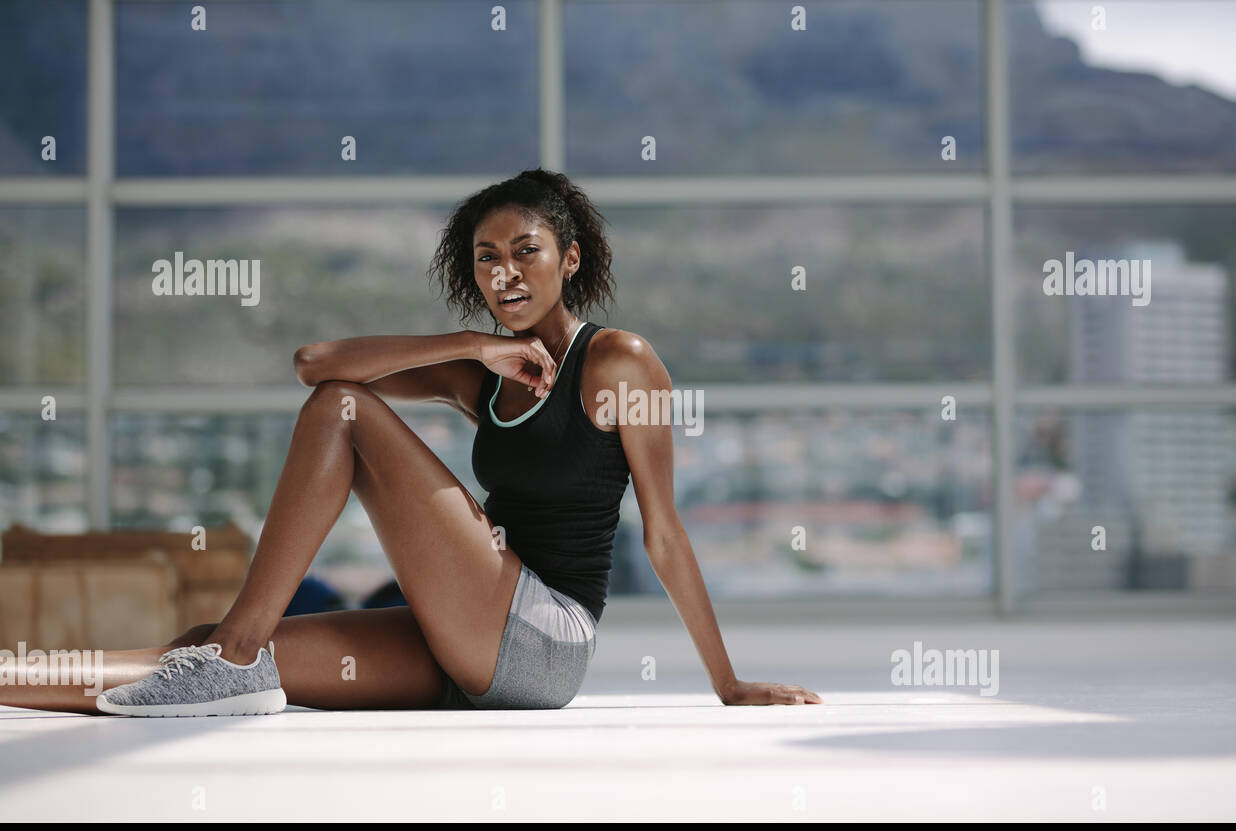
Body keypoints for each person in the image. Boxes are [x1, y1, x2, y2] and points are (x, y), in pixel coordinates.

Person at [2, 168, 822, 715]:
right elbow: (314, 363)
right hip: (461, 631)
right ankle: (23, 675)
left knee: (344, 418)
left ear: (569, 260)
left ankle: (242, 645)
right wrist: (467, 346)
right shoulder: (482, 374)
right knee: (198, 650)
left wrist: (729, 683)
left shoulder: (619, 363)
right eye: (487, 258)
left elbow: (666, 535)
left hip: (544, 637)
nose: (506, 273)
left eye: (526, 252)